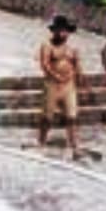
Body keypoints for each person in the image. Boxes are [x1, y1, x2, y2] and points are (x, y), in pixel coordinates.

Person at [36, 15, 81, 159]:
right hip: (52, 84)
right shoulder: (47, 45)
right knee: (47, 116)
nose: (63, 34)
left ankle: (74, 145)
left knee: (71, 116)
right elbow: (44, 64)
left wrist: (78, 76)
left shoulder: (72, 48)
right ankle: (41, 141)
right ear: (55, 31)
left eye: (66, 31)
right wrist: (56, 76)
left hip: (68, 85)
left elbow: (77, 64)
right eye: (61, 30)